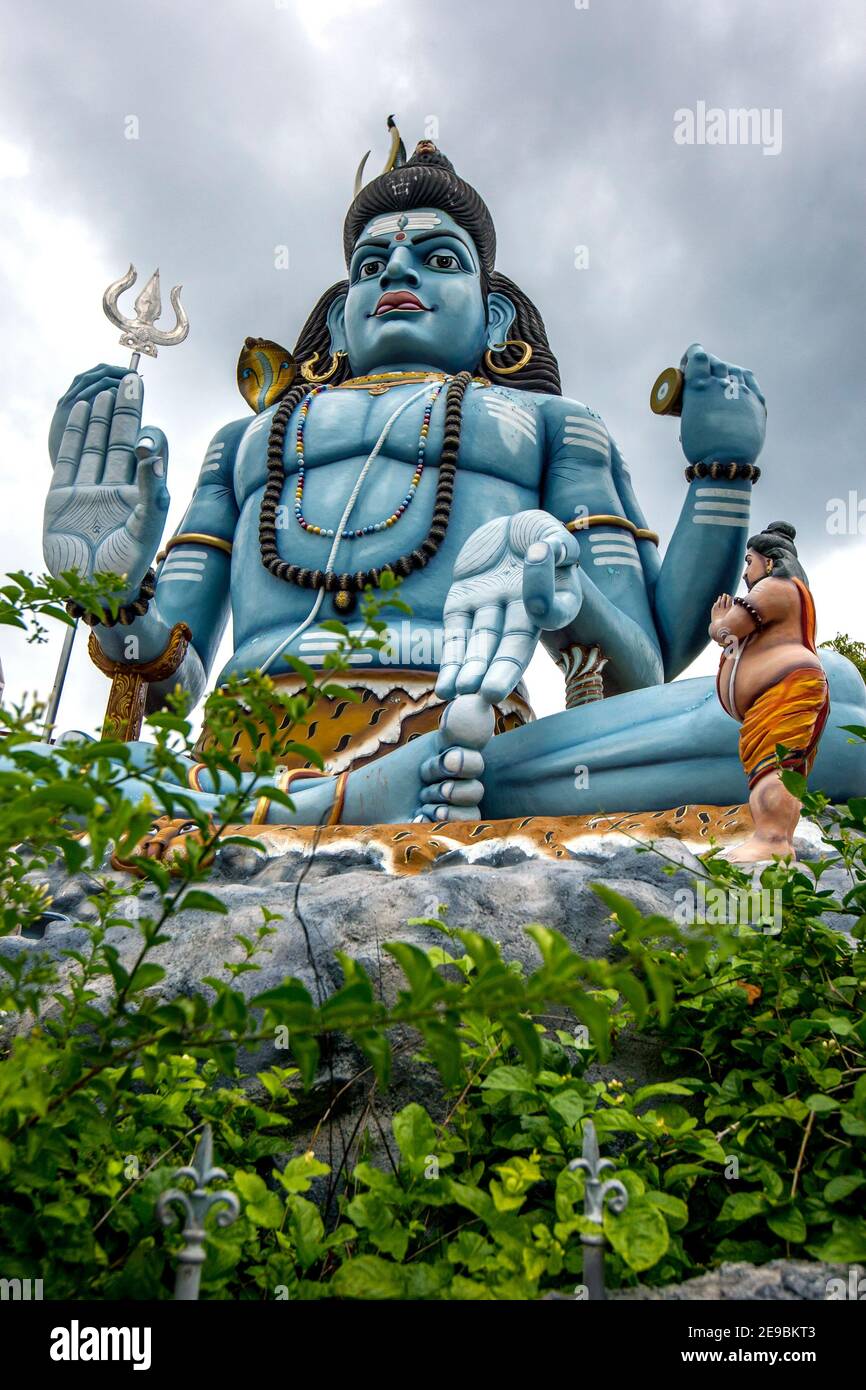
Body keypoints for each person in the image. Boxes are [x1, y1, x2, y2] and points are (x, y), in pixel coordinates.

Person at [710, 522, 830, 862]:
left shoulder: (774, 587)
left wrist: (717, 620)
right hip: (787, 687)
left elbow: (729, 631)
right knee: (782, 765)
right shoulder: (791, 593)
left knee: (773, 765)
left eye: (749, 562)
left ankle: (771, 839)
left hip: (785, 686)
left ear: (770, 562)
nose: (745, 572)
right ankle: (778, 839)